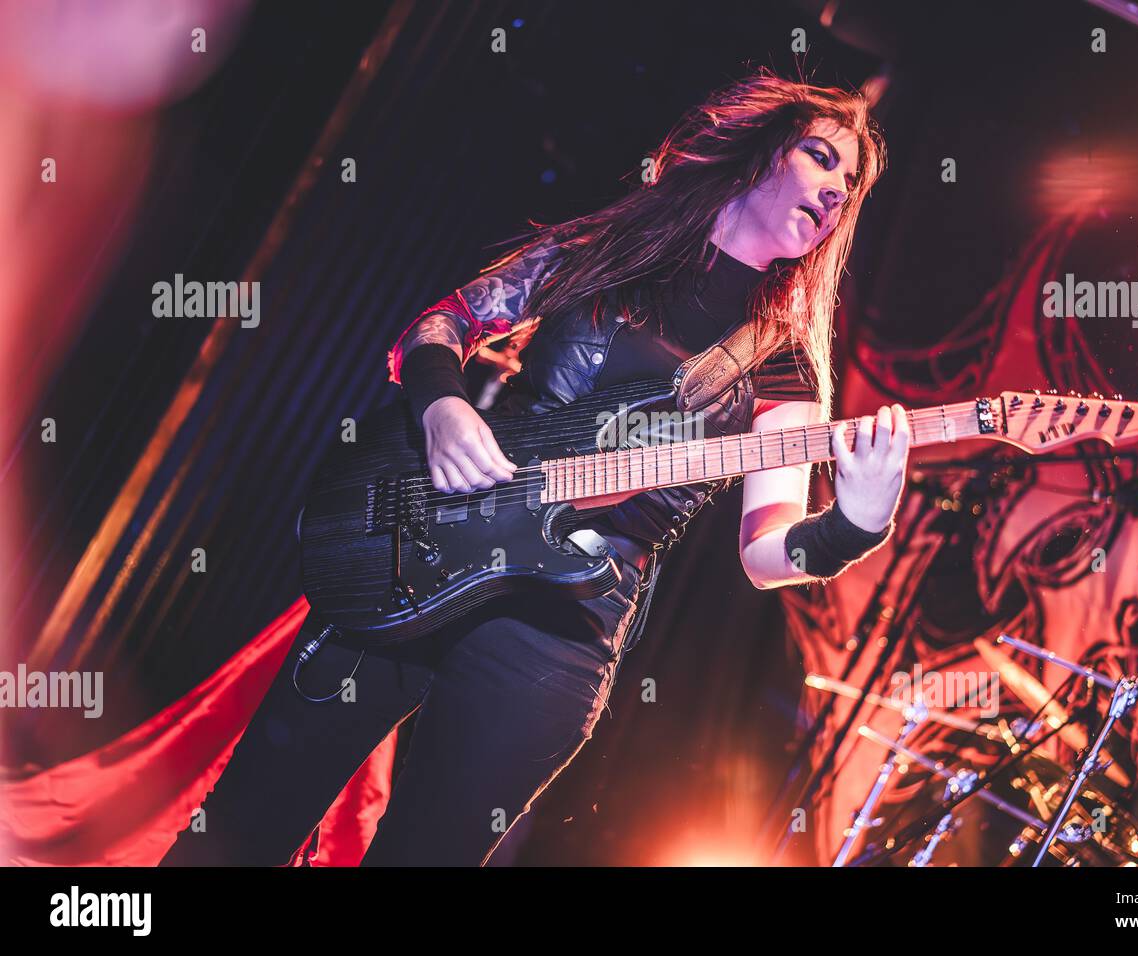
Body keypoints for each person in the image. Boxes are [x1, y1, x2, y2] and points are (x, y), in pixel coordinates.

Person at [159, 69, 909, 867]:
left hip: (559, 631)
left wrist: (856, 523)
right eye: (823, 158)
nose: (837, 191)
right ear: (760, 153)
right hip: (425, 541)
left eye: (852, 184)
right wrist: (443, 409)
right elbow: (443, 324)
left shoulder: (788, 362)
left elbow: (766, 556)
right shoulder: (610, 248)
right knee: (242, 826)